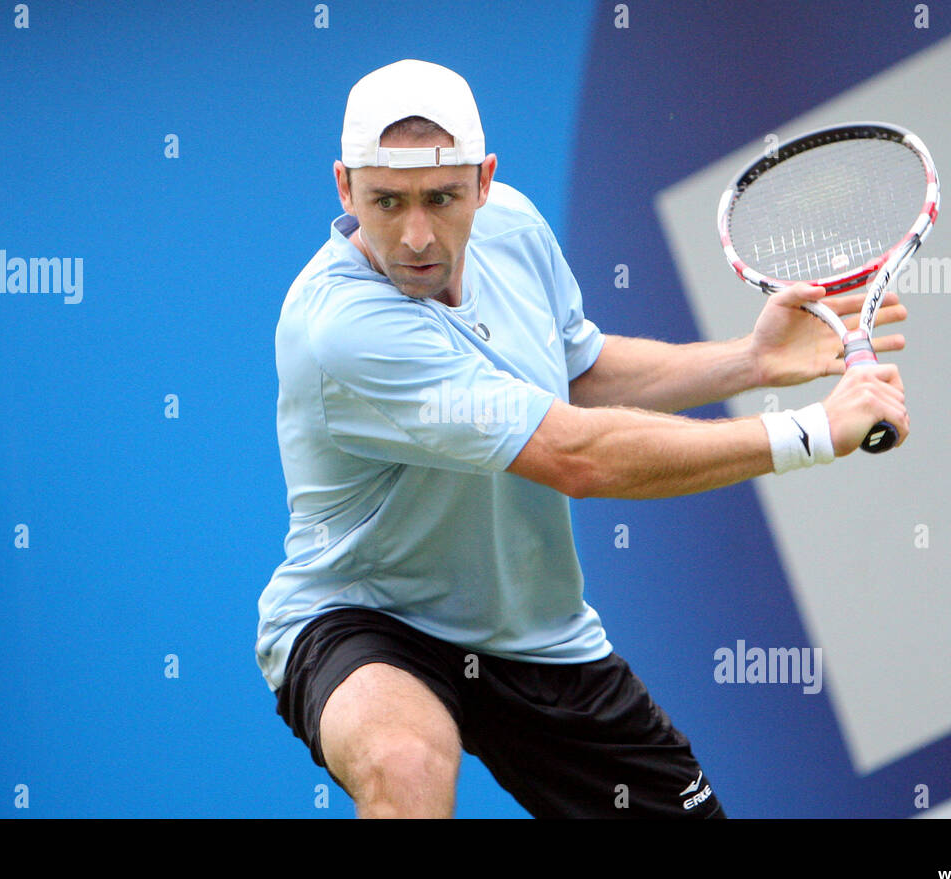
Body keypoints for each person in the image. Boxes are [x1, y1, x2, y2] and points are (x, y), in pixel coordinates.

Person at [256, 59, 908, 818]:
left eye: (442, 197)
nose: (417, 234)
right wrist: (814, 431)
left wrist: (748, 361)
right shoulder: (343, 328)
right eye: (385, 201)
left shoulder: (516, 230)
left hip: (535, 632)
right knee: (404, 761)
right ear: (343, 187)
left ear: (485, 180)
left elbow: (578, 373)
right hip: (368, 614)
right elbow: (576, 454)